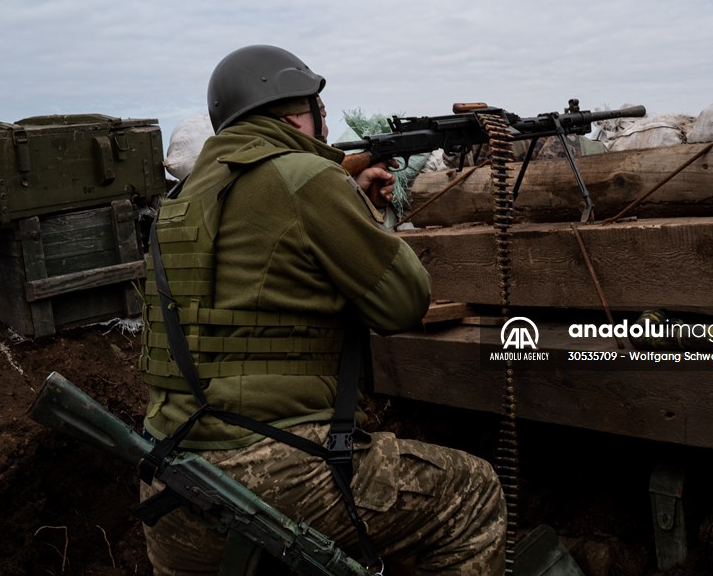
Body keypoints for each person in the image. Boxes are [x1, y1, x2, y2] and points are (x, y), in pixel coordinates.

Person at [138, 45, 506, 575]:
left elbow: (261, 272)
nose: (327, 125)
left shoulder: (183, 197)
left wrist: (345, 202)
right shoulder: (305, 176)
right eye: (320, 110)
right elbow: (403, 303)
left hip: (169, 487)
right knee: (472, 495)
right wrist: (363, 214)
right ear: (294, 114)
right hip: (269, 476)